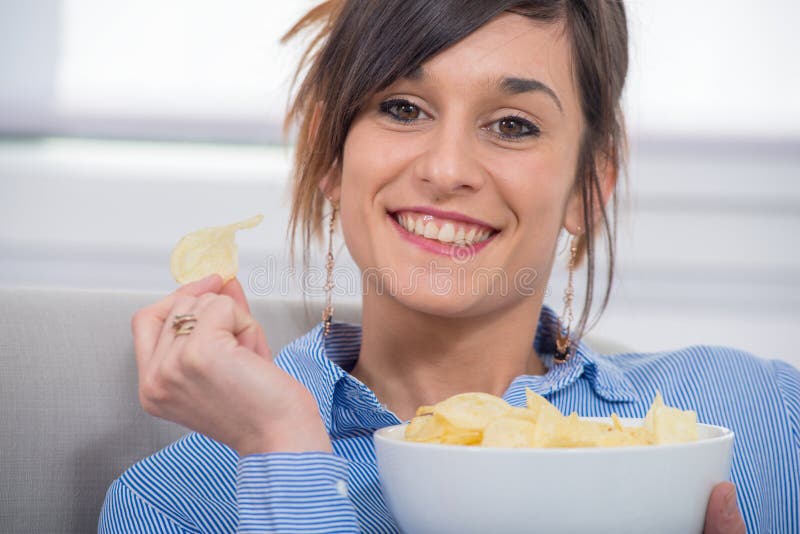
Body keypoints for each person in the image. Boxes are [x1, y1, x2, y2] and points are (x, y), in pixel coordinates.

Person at [99, 1, 798, 532]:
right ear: (330, 156)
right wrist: (283, 450)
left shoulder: (765, 417)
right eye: (402, 109)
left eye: (513, 125)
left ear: (591, 185)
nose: (446, 169)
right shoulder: (176, 503)